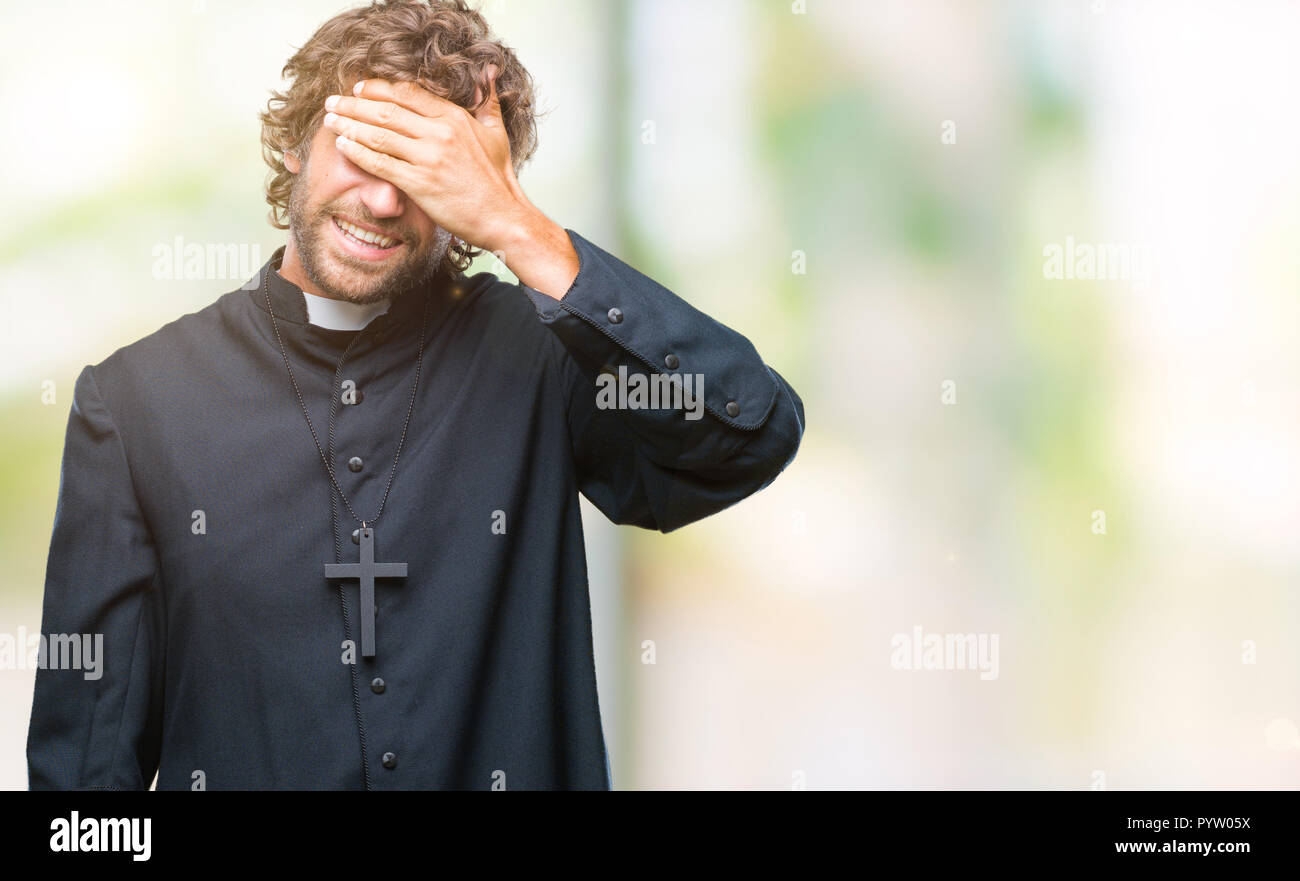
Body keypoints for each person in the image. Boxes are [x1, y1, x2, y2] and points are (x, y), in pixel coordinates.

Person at [27, 0, 804, 790]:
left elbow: (750, 432)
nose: (384, 201)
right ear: (297, 142)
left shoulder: (544, 357)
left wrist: (518, 226)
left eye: (425, 173)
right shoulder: (133, 405)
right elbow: (82, 789)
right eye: (366, 149)